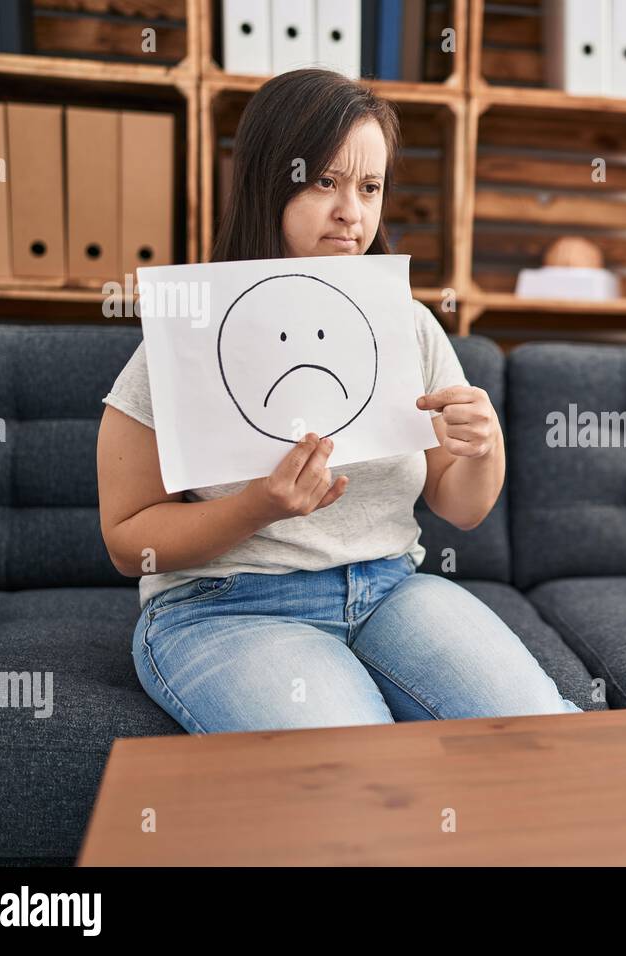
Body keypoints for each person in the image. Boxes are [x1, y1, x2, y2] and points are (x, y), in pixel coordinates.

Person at [96, 68, 583, 734]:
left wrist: (483, 446)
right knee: (347, 771)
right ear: (270, 180)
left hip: (389, 589)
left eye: (370, 186)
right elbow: (129, 543)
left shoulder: (406, 325)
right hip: (224, 607)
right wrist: (257, 507)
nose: (351, 212)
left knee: (542, 736)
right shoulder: (187, 336)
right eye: (325, 181)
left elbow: (461, 507)